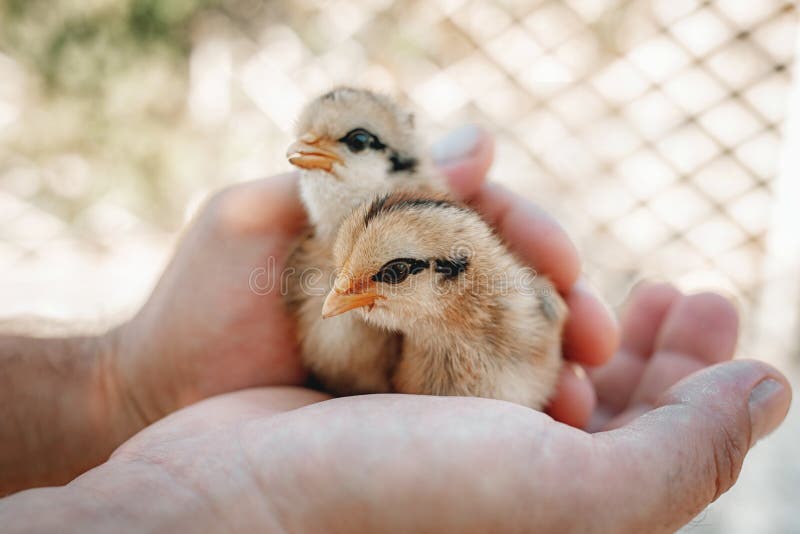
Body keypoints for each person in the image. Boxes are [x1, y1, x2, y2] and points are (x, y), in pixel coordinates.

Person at [0, 127, 791, 532]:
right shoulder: (392, 335)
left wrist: (125, 400)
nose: (347, 294)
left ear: (452, 277)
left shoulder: (519, 310)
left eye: (381, 277)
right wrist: (129, 394)